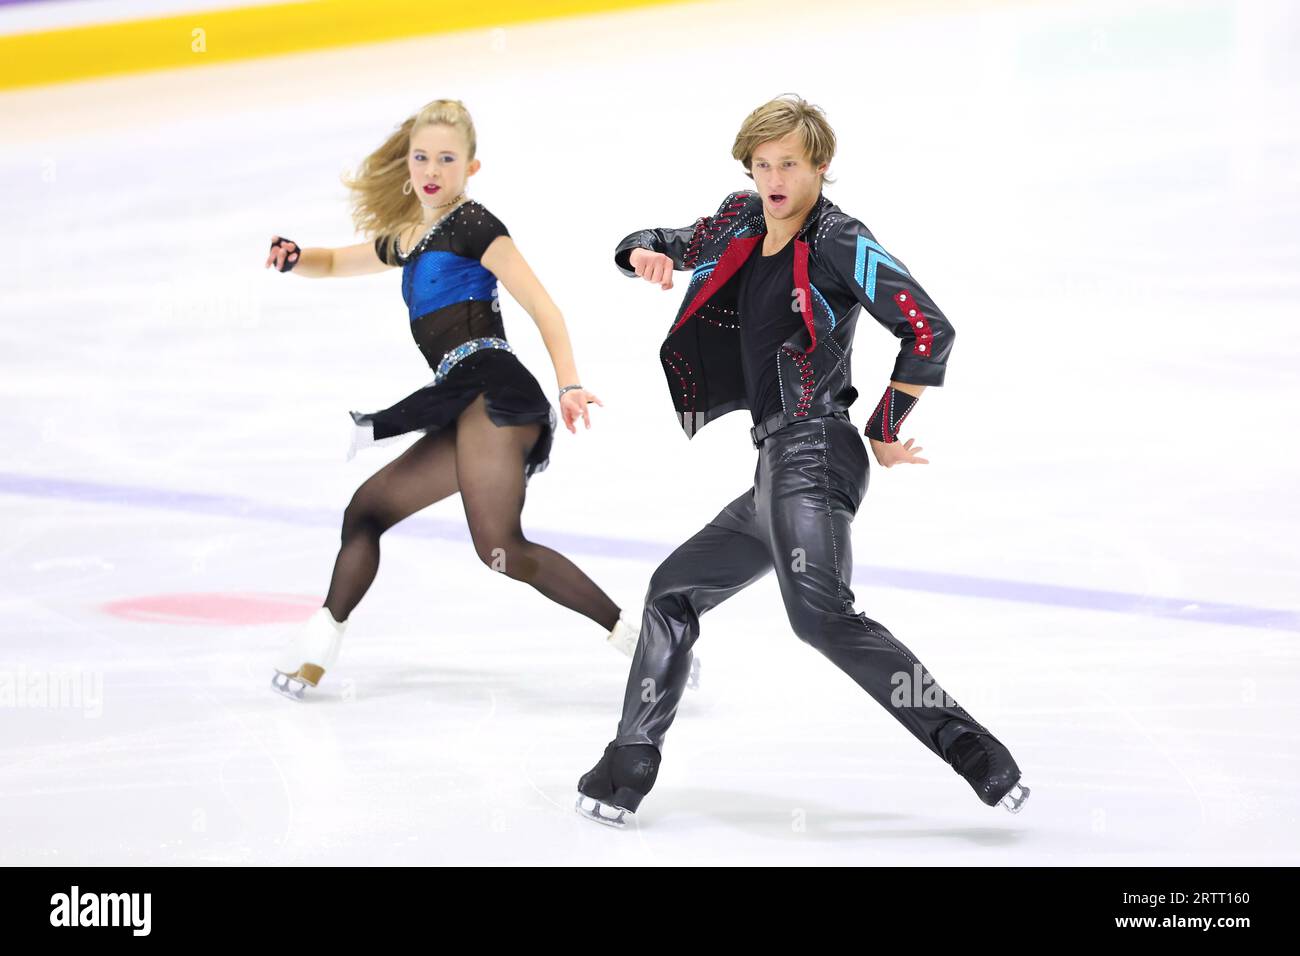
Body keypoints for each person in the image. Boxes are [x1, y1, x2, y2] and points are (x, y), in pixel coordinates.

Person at [575, 94, 1028, 827]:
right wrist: (639, 255)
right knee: (672, 592)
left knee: (819, 616)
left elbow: (928, 330)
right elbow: (663, 240)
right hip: (774, 469)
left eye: (789, 163)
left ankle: (971, 747)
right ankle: (629, 762)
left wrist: (885, 424)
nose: (774, 179)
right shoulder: (742, 219)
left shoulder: (841, 241)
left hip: (815, 450)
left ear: (820, 165)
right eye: (762, 165)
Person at [263, 98, 652, 700]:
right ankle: (319, 646)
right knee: (367, 512)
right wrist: (296, 260)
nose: (432, 170)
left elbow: (544, 308)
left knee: (500, 548)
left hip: (495, 395)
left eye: (447, 159)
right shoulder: (409, 238)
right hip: (462, 401)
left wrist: (569, 383)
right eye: (422, 157)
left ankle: (641, 642)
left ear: (471, 167)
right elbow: (337, 260)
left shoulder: (476, 226)